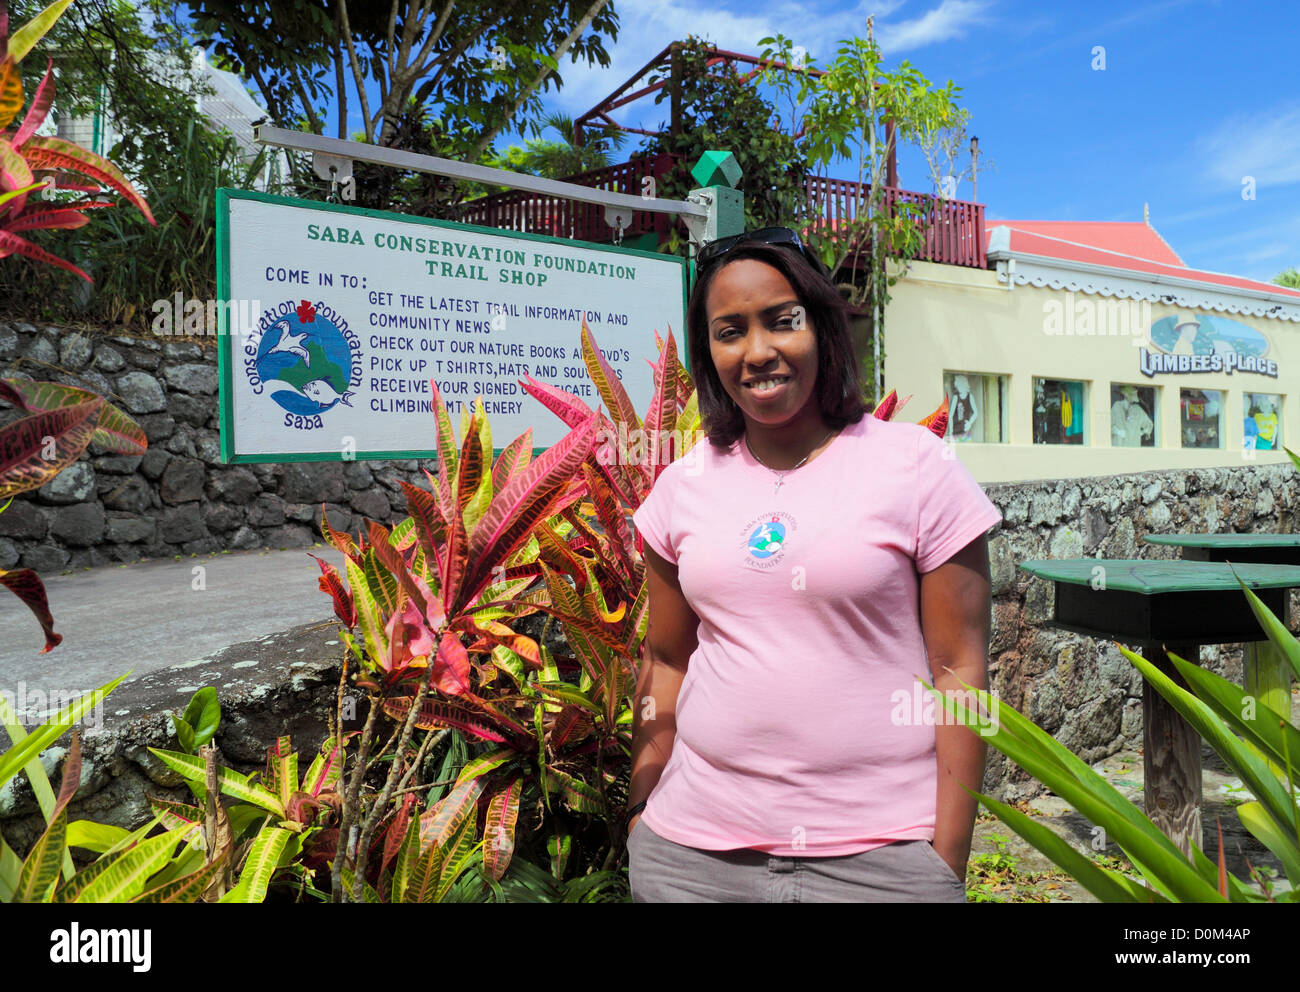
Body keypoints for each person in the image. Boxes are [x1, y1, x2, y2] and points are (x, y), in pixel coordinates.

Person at [624, 229, 1004, 903]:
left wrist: (945, 858)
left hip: (881, 859)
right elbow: (666, 659)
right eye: (729, 330)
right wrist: (642, 808)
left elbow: (959, 670)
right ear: (709, 353)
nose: (759, 350)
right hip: (692, 860)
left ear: (821, 328)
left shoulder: (915, 466)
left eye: (781, 321)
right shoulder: (682, 487)